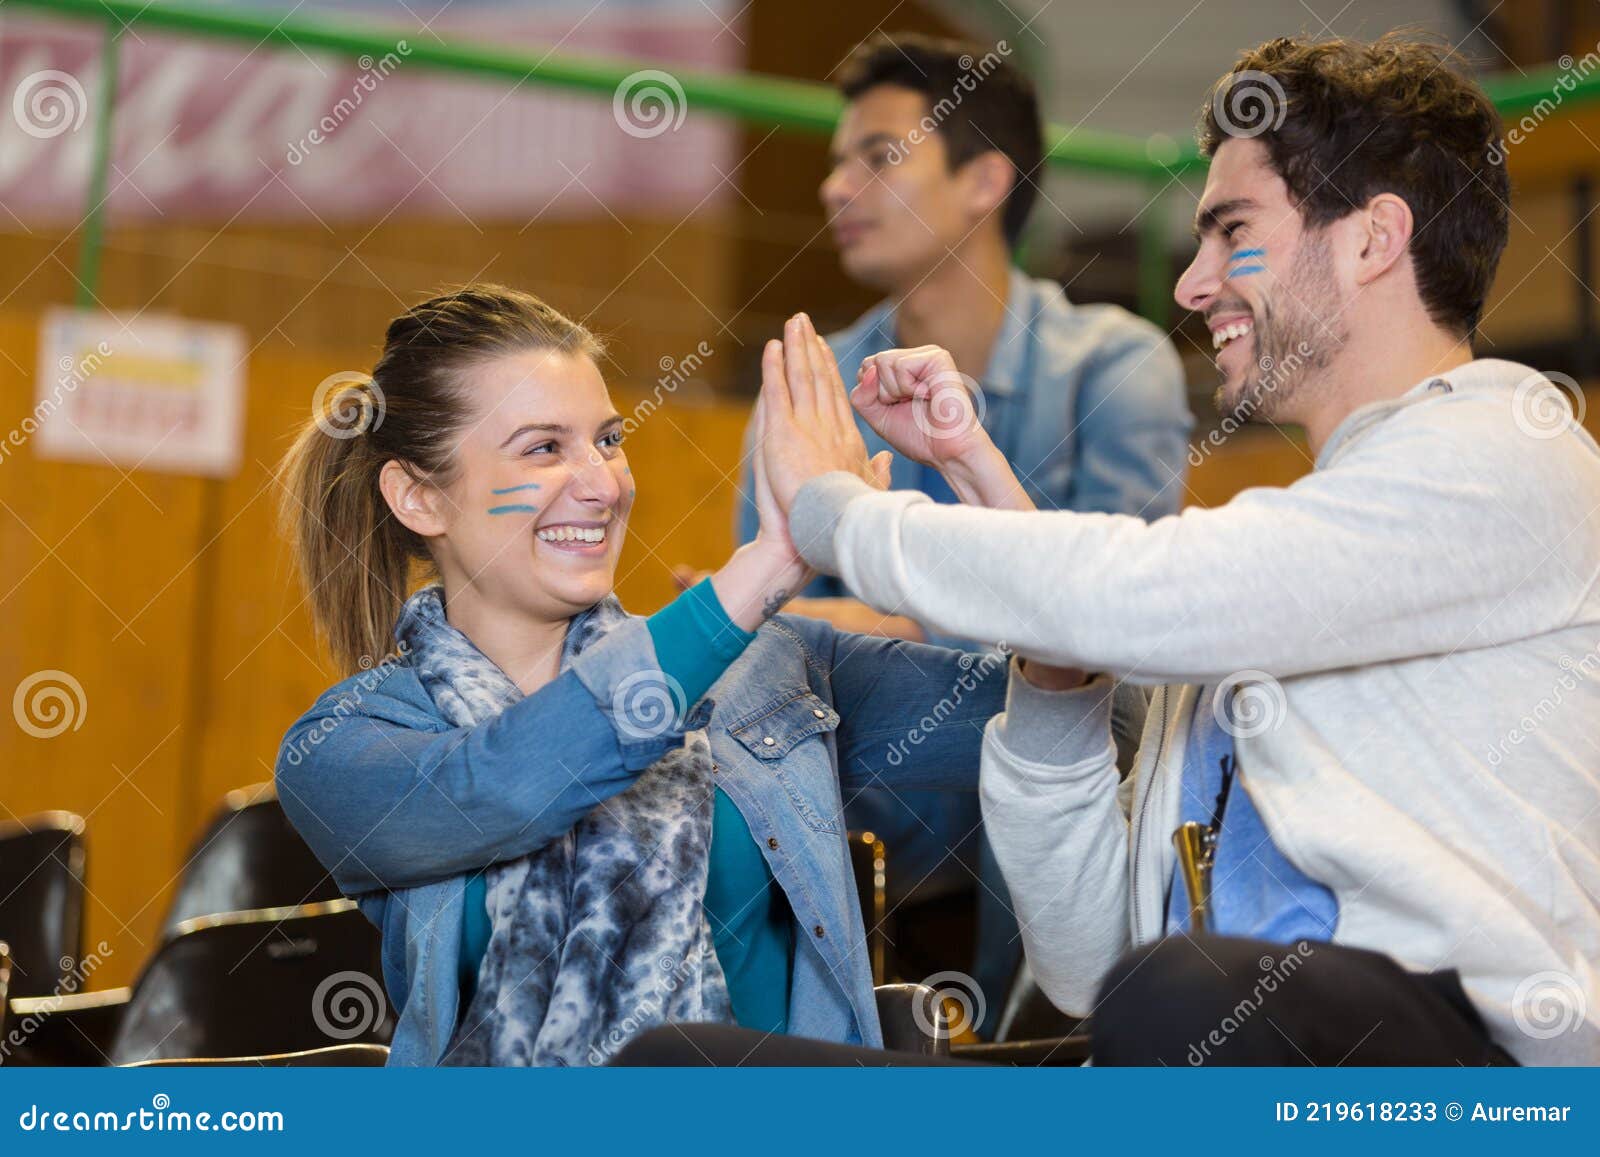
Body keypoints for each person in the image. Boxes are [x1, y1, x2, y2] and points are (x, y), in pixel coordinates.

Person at [680, 35, 1598, 1066]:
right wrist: (1042, 644)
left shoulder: (1507, 458)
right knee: (683, 1068)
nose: (1192, 286)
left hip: (1470, 1074)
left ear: (1372, 238)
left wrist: (832, 514)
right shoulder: (1300, 550)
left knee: (1183, 993)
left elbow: (1151, 591)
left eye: (1231, 231)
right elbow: (1081, 961)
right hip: (1193, 1038)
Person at [272, 286, 1143, 1066]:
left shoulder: (774, 669)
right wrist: (770, 562)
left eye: (608, 440)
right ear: (418, 497)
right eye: (543, 448)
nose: (601, 483)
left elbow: (1098, 710)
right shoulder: (342, 748)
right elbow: (509, 783)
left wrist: (965, 462)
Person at [733, 33, 1193, 1025]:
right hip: (862, 758)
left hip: (1053, 767)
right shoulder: (812, 384)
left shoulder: (1117, 365)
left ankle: (1036, 1053)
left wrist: (889, 625)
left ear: (985, 178)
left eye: (877, 156)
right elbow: (770, 633)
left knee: (1048, 729)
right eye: (833, 160)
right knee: (740, 727)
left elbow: (1111, 641)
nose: (833, 187)